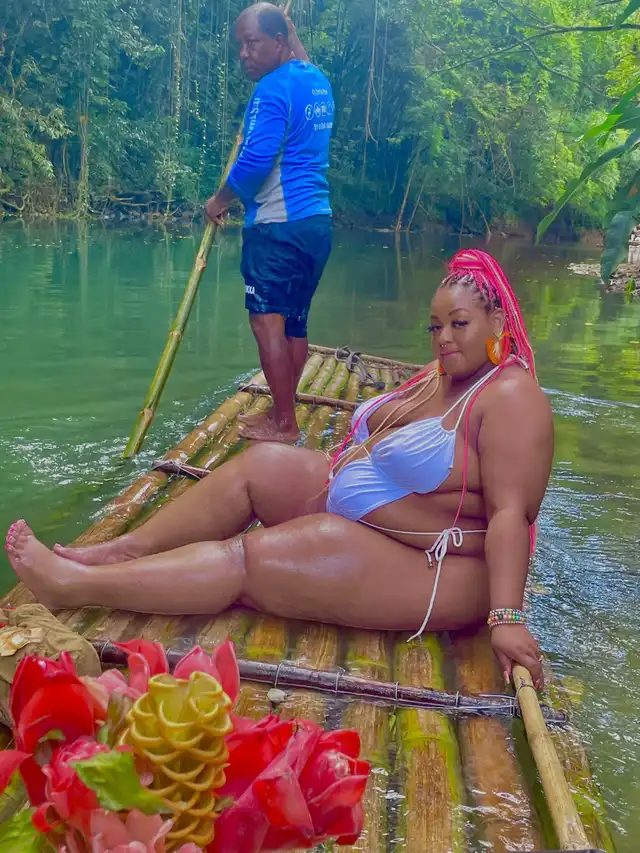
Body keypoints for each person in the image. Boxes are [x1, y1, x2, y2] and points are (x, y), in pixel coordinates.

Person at [5, 251, 553, 687]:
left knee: (253, 558)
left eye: (459, 324)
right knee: (262, 465)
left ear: (497, 320)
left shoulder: (511, 397)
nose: (443, 338)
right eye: (434, 327)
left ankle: (77, 585)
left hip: (440, 568)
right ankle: (125, 550)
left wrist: (506, 619)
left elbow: (510, 514)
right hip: (374, 517)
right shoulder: (444, 376)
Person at [205, 2, 334, 444]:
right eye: (240, 45)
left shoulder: (271, 89)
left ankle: (283, 423)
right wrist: (290, 29)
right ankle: (285, 413)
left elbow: (255, 162)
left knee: (266, 322)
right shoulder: (316, 81)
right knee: (294, 323)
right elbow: (301, 56)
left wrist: (219, 201)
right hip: (316, 226)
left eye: (252, 42)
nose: (244, 54)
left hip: (277, 227)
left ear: (278, 42)